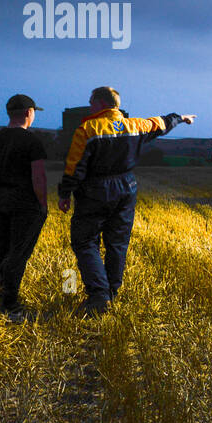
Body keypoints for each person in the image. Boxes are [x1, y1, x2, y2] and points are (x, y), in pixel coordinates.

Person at [57, 86, 195, 316]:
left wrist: (65, 193)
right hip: (127, 188)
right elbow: (160, 123)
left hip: (95, 190)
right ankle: (112, 292)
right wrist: (181, 118)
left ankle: (98, 295)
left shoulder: (88, 129)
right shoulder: (135, 126)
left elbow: (74, 166)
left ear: (100, 103)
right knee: (118, 242)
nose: (90, 106)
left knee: (85, 242)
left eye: (92, 102)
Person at [0, 94, 49, 322]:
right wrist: (42, 204)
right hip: (25, 203)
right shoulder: (31, 142)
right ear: (28, 113)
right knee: (18, 252)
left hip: (1, 197)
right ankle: (9, 304)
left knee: (1, 245)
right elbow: (39, 177)